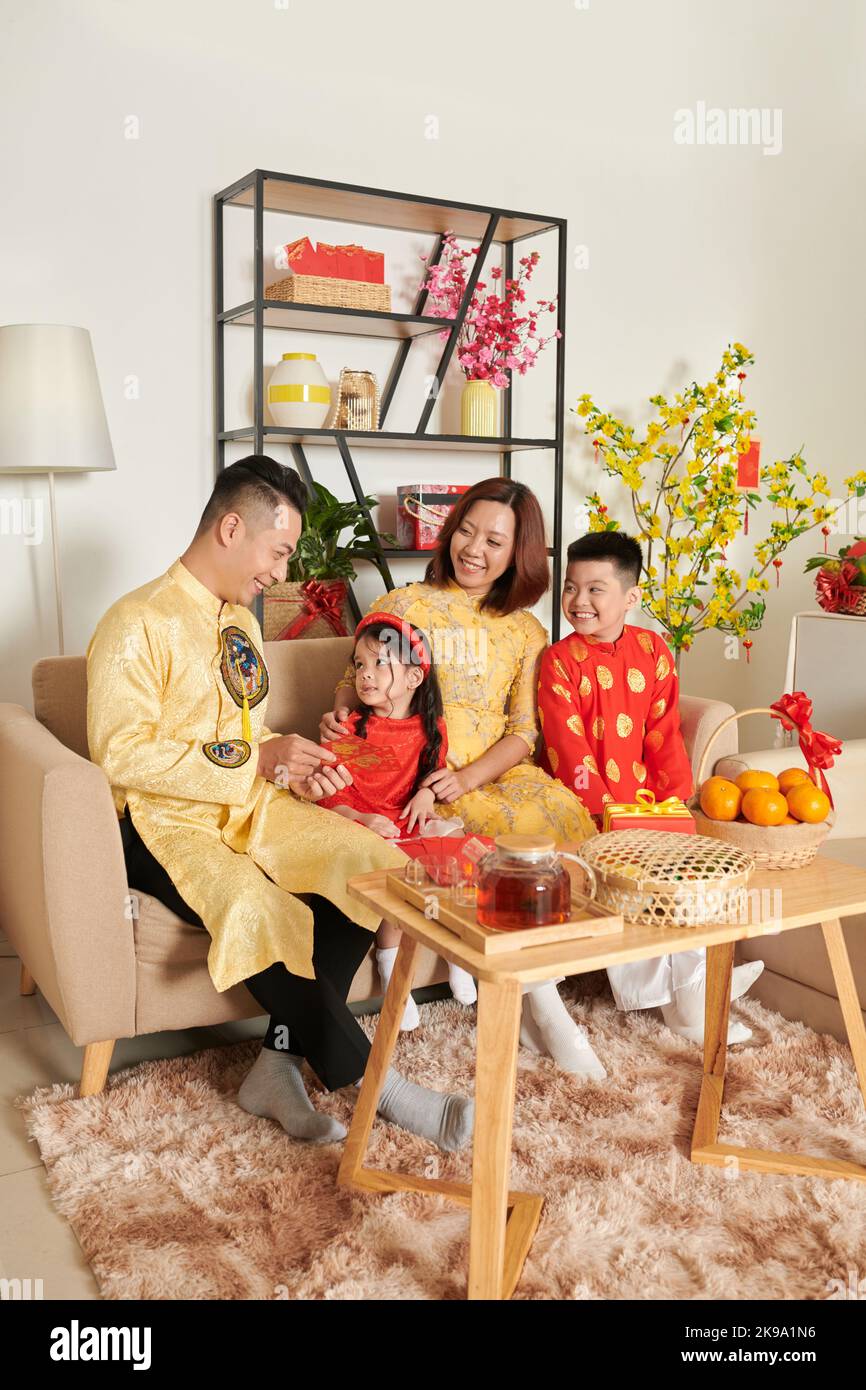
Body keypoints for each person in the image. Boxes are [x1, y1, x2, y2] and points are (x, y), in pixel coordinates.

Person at [86, 455, 474, 1151]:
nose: (282, 571)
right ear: (233, 529)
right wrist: (256, 761)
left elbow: (242, 731)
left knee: (365, 858)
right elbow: (120, 753)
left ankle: (276, 1065)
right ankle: (380, 1087)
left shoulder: (241, 621)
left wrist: (293, 763)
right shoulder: (135, 621)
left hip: (252, 803)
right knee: (255, 904)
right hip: (160, 820)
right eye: (280, 551)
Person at [321, 477, 607, 1081]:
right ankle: (546, 1007)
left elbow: (523, 732)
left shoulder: (526, 630)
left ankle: (537, 992)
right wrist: (342, 708)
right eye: (467, 531)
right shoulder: (406, 605)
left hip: (490, 773)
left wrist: (469, 776)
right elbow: (358, 679)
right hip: (416, 769)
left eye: (494, 541)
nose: (473, 549)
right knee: (477, 836)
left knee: (553, 821)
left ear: (518, 554)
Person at [537, 530, 764, 1044]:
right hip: (587, 805)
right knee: (636, 870)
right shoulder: (559, 661)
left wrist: (675, 801)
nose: (578, 601)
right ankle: (688, 998)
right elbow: (565, 749)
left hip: (648, 803)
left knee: (688, 869)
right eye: (571, 588)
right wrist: (612, 815)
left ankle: (691, 990)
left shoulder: (654, 650)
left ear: (630, 597)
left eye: (595, 589)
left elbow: (663, 736)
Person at [312, 609, 477, 1027]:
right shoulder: (349, 728)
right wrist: (363, 819)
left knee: (453, 859)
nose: (365, 675)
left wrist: (424, 794)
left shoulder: (430, 728)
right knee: (393, 876)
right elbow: (332, 793)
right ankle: (390, 970)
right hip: (361, 823)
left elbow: (430, 774)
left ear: (413, 679)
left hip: (407, 822)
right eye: (360, 666)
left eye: (380, 665)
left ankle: (456, 948)